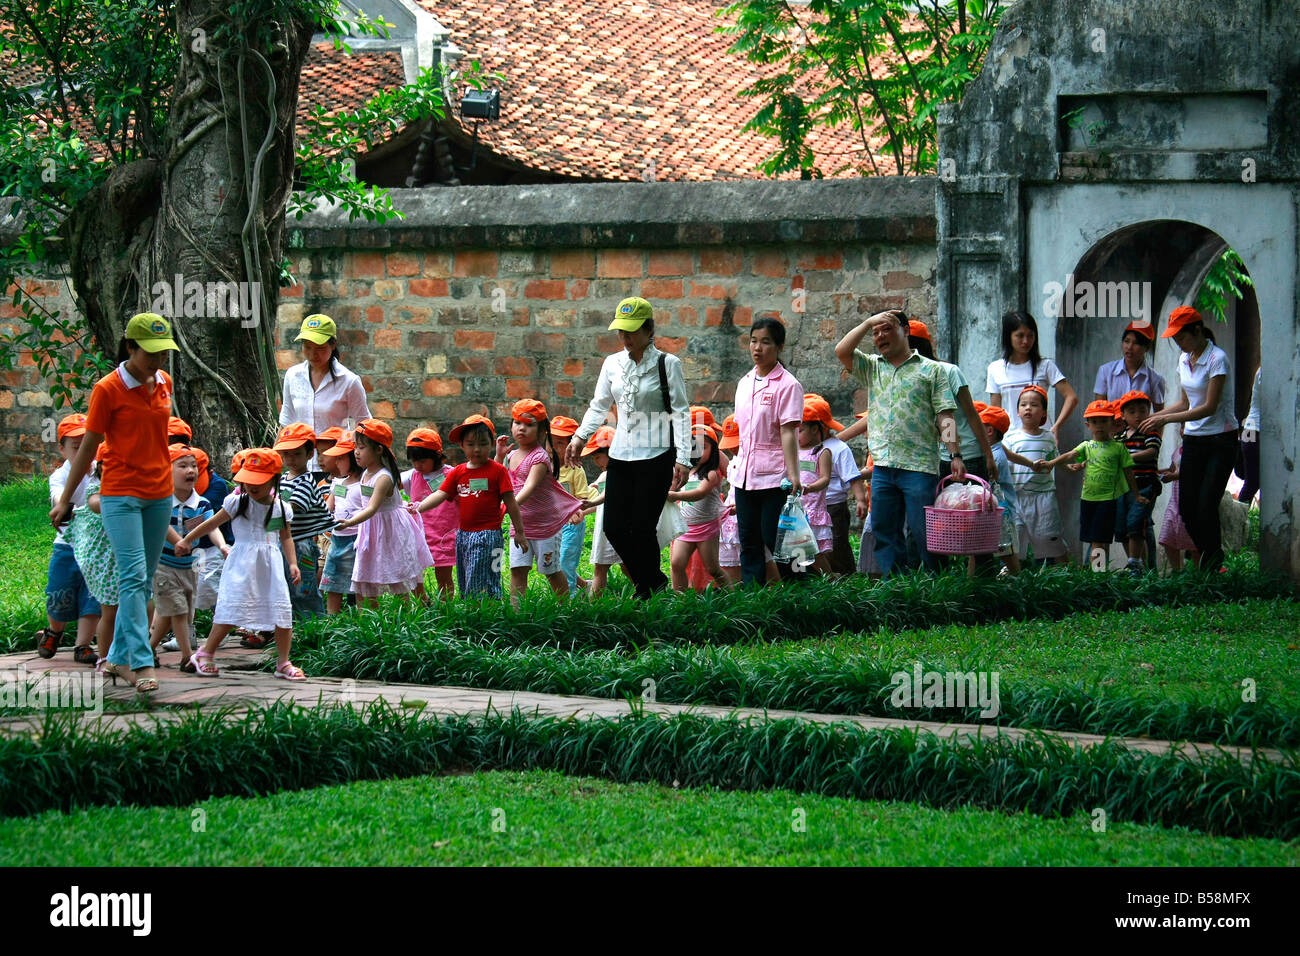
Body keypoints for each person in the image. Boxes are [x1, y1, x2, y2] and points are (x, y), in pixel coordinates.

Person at [50, 312, 180, 697]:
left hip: (159, 492)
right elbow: (89, 446)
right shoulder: (107, 389)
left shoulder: (164, 383)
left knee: (143, 578)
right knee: (132, 575)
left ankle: (118, 658)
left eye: (162, 353)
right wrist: (68, 499)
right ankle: (140, 661)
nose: (156, 361)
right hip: (120, 493)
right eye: (149, 353)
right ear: (130, 347)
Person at [567, 297, 690, 598]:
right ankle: (655, 583)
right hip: (621, 455)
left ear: (649, 330)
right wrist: (580, 436)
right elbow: (599, 406)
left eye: (632, 331)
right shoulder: (612, 364)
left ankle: (646, 593)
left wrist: (684, 458)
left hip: (658, 456)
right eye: (621, 331)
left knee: (643, 528)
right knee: (615, 527)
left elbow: (681, 413)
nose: (626, 338)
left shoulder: (667, 364)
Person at [834, 310, 962, 576]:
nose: (880, 336)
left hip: (919, 467)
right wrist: (868, 322)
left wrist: (955, 455)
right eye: (875, 332)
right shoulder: (872, 367)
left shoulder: (932, 370)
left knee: (926, 534)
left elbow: (945, 416)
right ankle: (896, 588)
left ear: (905, 331)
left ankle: (937, 587)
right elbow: (842, 351)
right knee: (885, 531)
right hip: (883, 467)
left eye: (887, 329)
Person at [178, 448, 305, 681]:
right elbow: (210, 522)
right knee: (231, 610)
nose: (251, 486)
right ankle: (205, 653)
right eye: (247, 480)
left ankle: (283, 662)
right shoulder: (237, 502)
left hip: (270, 566)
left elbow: (285, 537)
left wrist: (293, 563)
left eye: (258, 481)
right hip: (242, 564)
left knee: (282, 612)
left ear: (274, 479)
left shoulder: (281, 507)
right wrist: (186, 539)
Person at [1140, 306, 1239, 571]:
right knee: (1186, 508)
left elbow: (1209, 407)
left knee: (1206, 506)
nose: (1178, 343)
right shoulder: (1184, 360)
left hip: (1221, 439)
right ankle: (1212, 562)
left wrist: (1165, 419)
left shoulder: (1218, 358)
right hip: (1194, 440)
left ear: (1197, 330)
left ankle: (1212, 566)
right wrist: (1155, 415)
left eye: (1181, 337)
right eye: (1174, 338)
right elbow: (1184, 402)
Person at [412, 415, 529, 599]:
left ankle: (486, 613)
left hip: (489, 535)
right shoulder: (458, 471)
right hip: (463, 535)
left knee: (485, 579)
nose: (477, 449)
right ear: (462, 446)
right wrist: (418, 507)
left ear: (491, 443)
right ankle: (474, 613)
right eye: (470, 444)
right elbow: (440, 494)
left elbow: (511, 502)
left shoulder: (498, 471)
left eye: (483, 444)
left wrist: (520, 531)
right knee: (466, 579)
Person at [733, 318, 805, 585]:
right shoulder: (745, 382)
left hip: (775, 477)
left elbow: (789, 432)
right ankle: (753, 598)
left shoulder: (788, 385)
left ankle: (798, 591)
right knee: (748, 540)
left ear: (779, 346)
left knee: (777, 538)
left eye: (765, 342)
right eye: (753, 341)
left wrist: (795, 475)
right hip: (744, 476)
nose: (757, 348)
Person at [1036, 400, 1146, 571]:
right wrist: (1052, 463)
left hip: (1108, 500)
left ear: (1113, 422)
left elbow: (1129, 474)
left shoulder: (1118, 448)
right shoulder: (1087, 446)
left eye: (1103, 421)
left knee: (1099, 540)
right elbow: (1071, 455)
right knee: (1098, 540)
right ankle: (1099, 573)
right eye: (1095, 422)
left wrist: (1137, 495)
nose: (1099, 425)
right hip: (1087, 499)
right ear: (1088, 425)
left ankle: (1098, 574)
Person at [335, 419, 433, 606]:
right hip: (371, 530)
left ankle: (404, 615)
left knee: (397, 571)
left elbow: (371, 508)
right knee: (366, 570)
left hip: (390, 530)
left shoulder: (383, 478)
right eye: (356, 446)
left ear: (379, 450)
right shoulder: (366, 473)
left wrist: (348, 522)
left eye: (362, 447)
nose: (356, 451)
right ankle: (369, 618)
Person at [498, 399, 583, 600]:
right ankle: (517, 614)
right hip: (520, 526)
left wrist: (507, 506)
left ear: (543, 430)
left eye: (529, 425)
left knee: (551, 571)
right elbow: (501, 481)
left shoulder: (540, 457)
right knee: (518, 570)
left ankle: (565, 607)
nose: (522, 429)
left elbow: (529, 486)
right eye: (518, 423)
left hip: (545, 527)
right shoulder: (511, 456)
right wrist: (498, 455)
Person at [148, 446, 223, 670]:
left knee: (173, 611)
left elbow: (212, 527)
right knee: (179, 610)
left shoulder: (202, 504)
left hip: (190, 567)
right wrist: (176, 542)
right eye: (182, 466)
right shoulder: (160, 501)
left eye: (193, 466)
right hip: (164, 566)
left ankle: (147, 648)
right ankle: (187, 656)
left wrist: (222, 545)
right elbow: (157, 527)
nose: (190, 470)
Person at [40, 413, 101, 663]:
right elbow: (58, 498)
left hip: (98, 548)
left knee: (93, 597)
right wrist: (61, 506)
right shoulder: (60, 476)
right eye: (77, 446)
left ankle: (82, 645)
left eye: (89, 445)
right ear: (62, 448)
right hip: (67, 546)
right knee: (59, 592)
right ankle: (54, 631)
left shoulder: (101, 470)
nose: (84, 451)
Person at [279, 314, 371, 471]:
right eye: (307, 347)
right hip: (300, 467)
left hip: (337, 466)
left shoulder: (349, 381)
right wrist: (275, 464)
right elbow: (287, 422)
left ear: (333, 344)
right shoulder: (293, 376)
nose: (313, 354)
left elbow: (364, 426)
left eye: (320, 348)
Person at [986, 311, 1078, 445]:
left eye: (1030, 336)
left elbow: (1071, 397)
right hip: (1010, 441)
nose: (1026, 341)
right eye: (1020, 336)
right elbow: (995, 411)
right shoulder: (995, 368)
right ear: (1008, 337)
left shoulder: (1045, 365)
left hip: (1042, 439)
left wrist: (1056, 426)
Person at [1002, 386, 1069, 566]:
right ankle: (1010, 573)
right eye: (1023, 404)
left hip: (1043, 496)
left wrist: (1071, 467)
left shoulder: (1048, 438)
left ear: (1044, 413)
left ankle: (1065, 572)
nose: (1028, 408)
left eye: (1034, 404)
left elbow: (1056, 459)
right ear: (1017, 411)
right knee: (1015, 537)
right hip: (1017, 497)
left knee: (1049, 535)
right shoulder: (1009, 438)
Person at [65, 445, 117, 670]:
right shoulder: (96, 488)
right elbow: (96, 504)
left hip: (125, 555)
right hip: (102, 560)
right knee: (110, 610)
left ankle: (135, 652)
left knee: (146, 605)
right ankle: (106, 658)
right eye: (111, 464)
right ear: (101, 467)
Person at [273, 423, 331, 620]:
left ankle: (315, 626)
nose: (291, 459)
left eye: (296, 454)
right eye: (286, 454)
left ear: (309, 454)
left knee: (304, 588)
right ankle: (294, 626)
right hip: (285, 542)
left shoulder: (306, 481)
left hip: (302, 544)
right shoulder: (282, 479)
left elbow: (290, 507)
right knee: (287, 585)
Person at [667, 423, 728, 590]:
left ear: (714, 451)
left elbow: (700, 493)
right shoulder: (686, 473)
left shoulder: (712, 474)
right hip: (686, 527)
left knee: (713, 568)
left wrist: (675, 496)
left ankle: (732, 594)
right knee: (676, 563)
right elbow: (671, 488)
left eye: (704, 447)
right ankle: (680, 599)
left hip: (706, 527)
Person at [403, 427, 457, 601]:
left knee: (443, 573)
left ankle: (445, 605)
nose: (418, 465)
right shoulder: (412, 475)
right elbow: (390, 483)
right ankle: (422, 600)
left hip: (444, 534)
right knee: (414, 571)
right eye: (414, 461)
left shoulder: (451, 474)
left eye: (423, 461)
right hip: (420, 534)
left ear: (437, 455)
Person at [548, 416, 597, 595]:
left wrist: (577, 512)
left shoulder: (576, 470)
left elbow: (582, 500)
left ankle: (569, 603)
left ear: (572, 445)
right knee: (554, 563)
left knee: (565, 562)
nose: (554, 448)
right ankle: (584, 586)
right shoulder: (544, 467)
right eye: (551, 442)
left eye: (560, 443)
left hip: (571, 524)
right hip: (550, 525)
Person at [1114, 391, 1162, 571]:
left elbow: (1152, 452)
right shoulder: (1119, 437)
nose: (1138, 415)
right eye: (1132, 412)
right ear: (1123, 416)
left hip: (1145, 485)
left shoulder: (1150, 432)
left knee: (1136, 523)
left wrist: (1126, 458)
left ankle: (1135, 564)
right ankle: (1137, 565)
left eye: (1142, 411)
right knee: (1122, 527)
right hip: (1122, 487)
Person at [576, 425, 623, 596]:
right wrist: (583, 511)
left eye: (598, 457)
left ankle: (647, 595)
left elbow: (605, 497)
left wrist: (589, 502)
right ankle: (593, 607)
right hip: (604, 527)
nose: (596, 463)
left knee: (627, 566)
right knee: (600, 567)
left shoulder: (622, 474)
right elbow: (599, 504)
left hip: (621, 526)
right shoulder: (604, 475)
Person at [320, 434, 363, 612]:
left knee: (360, 582)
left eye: (340, 458)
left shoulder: (365, 483)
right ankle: (332, 619)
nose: (336, 462)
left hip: (357, 539)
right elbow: (328, 507)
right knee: (332, 580)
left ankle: (364, 618)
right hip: (337, 539)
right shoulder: (338, 483)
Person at [978, 404, 1021, 575]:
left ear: (989, 431)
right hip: (999, 510)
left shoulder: (993, 456)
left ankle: (1019, 581)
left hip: (1001, 511)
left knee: (1005, 550)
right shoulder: (997, 449)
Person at [1093, 321, 1167, 411]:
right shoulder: (1106, 371)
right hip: (1112, 424)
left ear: (1147, 347)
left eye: (1136, 343)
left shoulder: (1155, 379)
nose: (1129, 347)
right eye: (1126, 341)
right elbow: (1099, 410)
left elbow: (1159, 416)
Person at [1237, 365, 1261, 504]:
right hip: (1254, 430)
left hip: (1250, 428)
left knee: (1252, 482)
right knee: (1252, 482)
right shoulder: (1265, 373)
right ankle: (1240, 520)